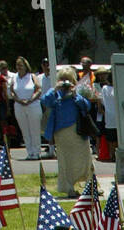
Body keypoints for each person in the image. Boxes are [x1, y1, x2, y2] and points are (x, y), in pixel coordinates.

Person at [40, 67, 94, 195]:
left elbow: (87, 106)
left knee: (86, 157)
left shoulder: (77, 93)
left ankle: (90, 186)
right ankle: (69, 188)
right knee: (65, 162)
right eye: (62, 80)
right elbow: (44, 101)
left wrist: (75, 95)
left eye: (68, 80)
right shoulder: (55, 94)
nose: (65, 83)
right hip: (61, 133)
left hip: (78, 132)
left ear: (73, 81)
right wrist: (55, 89)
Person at [11, 58, 42, 161]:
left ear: (25, 66)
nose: (19, 67)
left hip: (33, 105)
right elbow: (12, 92)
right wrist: (19, 100)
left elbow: (39, 90)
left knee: (34, 129)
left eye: (21, 65)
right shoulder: (14, 77)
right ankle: (30, 152)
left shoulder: (32, 76)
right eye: (17, 65)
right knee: (25, 130)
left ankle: (36, 152)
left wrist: (30, 100)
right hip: (19, 106)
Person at [100, 70, 117, 162]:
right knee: (117, 138)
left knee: (111, 139)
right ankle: (115, 155)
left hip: (109, 116)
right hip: (118, 117)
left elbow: (102, 100)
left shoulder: (104, 88)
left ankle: (112, 155)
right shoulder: (118, 88)